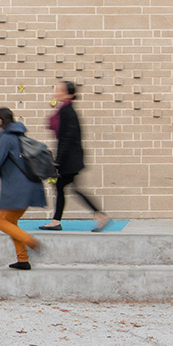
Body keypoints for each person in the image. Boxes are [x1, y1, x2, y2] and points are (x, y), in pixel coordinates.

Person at [0, 106, 45, 269]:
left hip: (18, 189)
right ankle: (23, 260)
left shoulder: (6, 137)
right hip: (28, 186)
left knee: (0, 221)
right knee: (10, 222)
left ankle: (30, 241)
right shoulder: (17, 135)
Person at [40, 80, 111, 232]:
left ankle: (99, 215)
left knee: (66, 187)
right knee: (65, 187)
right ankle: (58, 220)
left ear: (68, 94)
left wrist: (58, 161)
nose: (56, 92)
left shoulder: (67, 112)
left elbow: (67, 138)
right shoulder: (65, 110)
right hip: (70, 158)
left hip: (69, 160)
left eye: (60, 90)